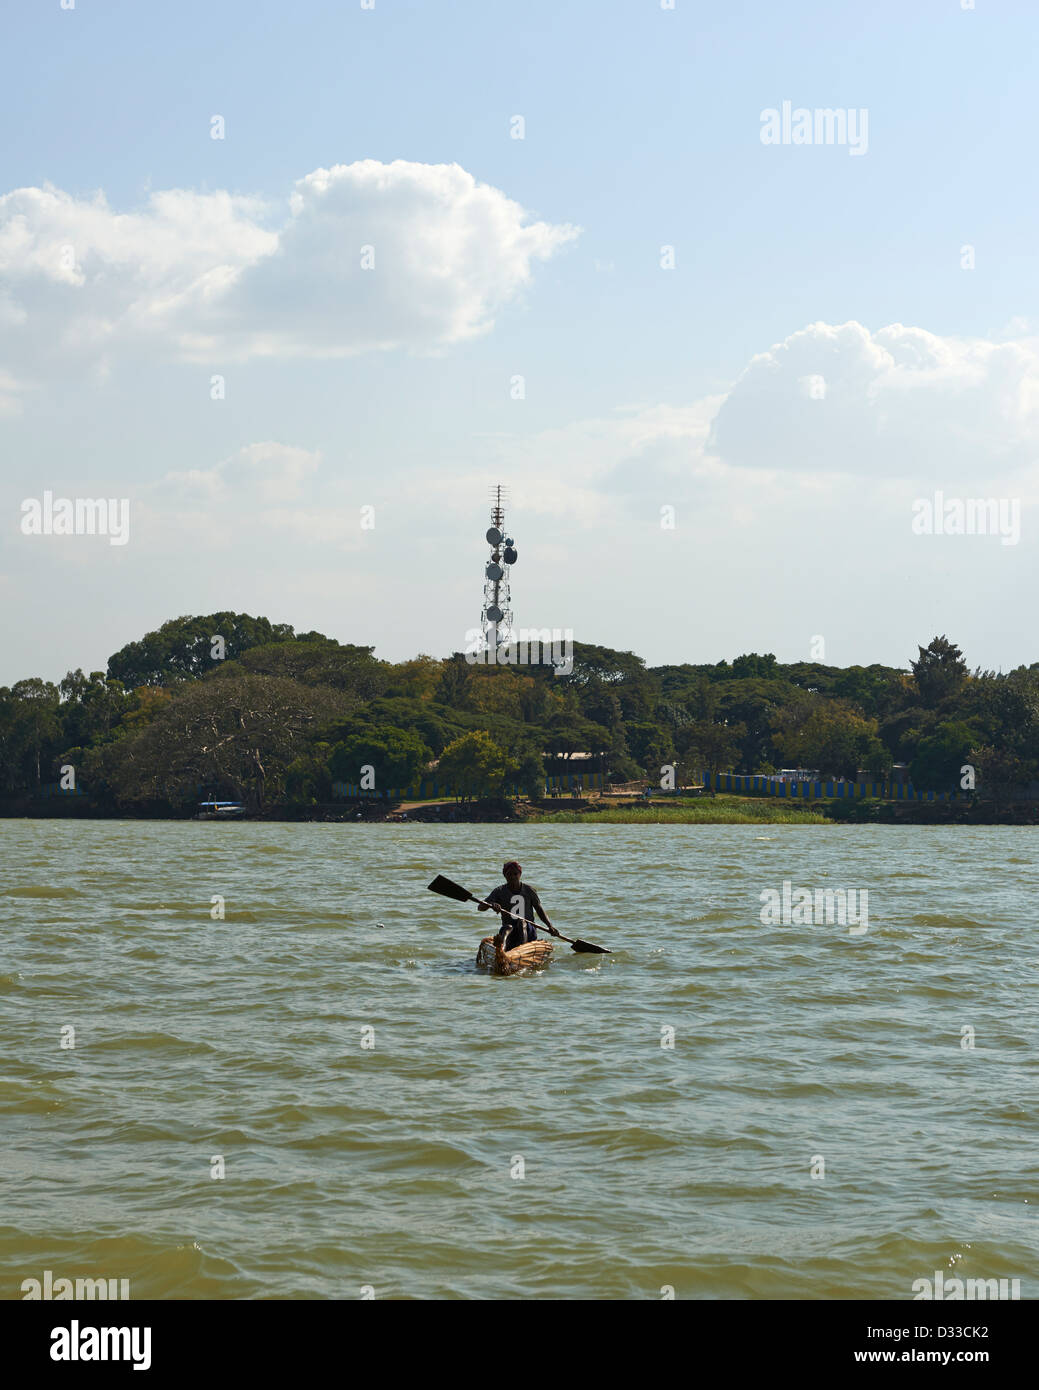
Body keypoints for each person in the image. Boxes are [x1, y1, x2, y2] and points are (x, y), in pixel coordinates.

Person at [478, 860, 559, 951]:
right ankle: (502, 950)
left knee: (521, 922)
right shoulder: (499, 891)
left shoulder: (529, 890)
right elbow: (480, 908)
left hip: (528, 931)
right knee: (508, 927)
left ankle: (522, 949)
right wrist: (491, 904)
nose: (512, 877)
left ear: (520, 874)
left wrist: (550, 926)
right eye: (509, 874)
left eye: (515, 874)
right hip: (510, 932)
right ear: (505, 876)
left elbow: (539, 909)